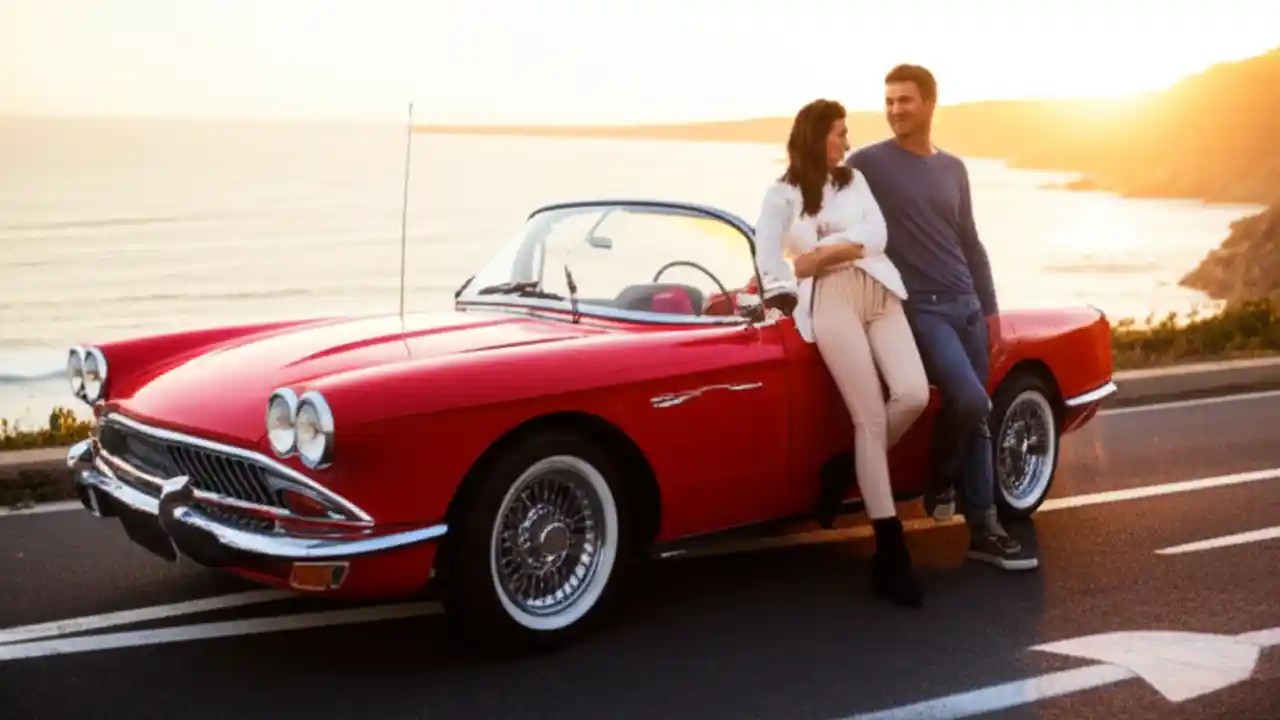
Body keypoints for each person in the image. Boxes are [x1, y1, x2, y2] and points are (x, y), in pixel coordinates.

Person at [845, 64, 1038, 571]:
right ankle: (939, 478)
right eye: (888, 101)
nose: (894, 110)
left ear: (930, 104)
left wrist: (990, 310)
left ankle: (984, 529)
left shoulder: (954, 168)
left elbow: (970, 242)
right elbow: (822, 205)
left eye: (905, 100)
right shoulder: (868, 164)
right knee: (972, 403)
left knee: (980, 419)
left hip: (968, 307)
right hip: (920, 310)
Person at [755, 99, 931, 607]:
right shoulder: (781, 196)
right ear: (816, 137)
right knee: (871, 420)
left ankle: (845, 469)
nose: (848, 143)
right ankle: (891, 554)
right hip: (830, 305)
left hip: (879, 293)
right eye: (839, 133)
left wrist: (828, 251)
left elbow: (878, 236)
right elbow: (773, 262)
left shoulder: (854, 182)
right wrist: (800, 274)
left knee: (913, 395)